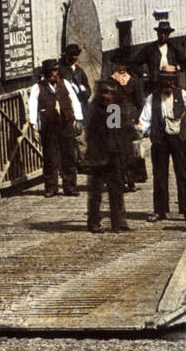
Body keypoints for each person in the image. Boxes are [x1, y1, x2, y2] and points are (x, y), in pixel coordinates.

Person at [138, 64, 186, 223]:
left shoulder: (183, 95)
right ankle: (160, 210)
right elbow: (144, 119)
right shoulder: (152, 97)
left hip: (179, 139)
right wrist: (138, 134)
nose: (168, 83)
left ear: (174, 81)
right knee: (159, 175)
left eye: (170, 80)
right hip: (160, 139)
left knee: (183, 174)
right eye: (165, 80)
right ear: (160, 80)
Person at [82, 80, 135, 233]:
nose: (107, 96)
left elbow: (116, 132)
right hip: (98, 156)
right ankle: (94, 222)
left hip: (113, 156)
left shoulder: (114, 109)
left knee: (116, 189)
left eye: (110, 93)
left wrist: (123, 153)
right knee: (96, 192)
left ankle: (118, 222)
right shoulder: (95, 110)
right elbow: (93, 136)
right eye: (104, 92)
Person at [29, 58, 83, 196]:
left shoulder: (65, 83)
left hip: (65, 123)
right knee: (50, 157)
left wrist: (78, 118)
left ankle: (70, 187)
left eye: (55, 70)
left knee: (69, 156)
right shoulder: (37, 87)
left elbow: (75, 101)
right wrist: (34, 126)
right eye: (50, 72)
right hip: (49, 126)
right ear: (46, 73)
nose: (53, 74)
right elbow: (32, 107)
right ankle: (51, 188)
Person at [108, 55, 145, 191]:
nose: (121, 67)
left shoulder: (134, 81)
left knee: (132, 150)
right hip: (115, 115)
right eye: (118, 64)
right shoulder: (111, 80)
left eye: (123, 65)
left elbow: (139, 101)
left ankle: (132, 180)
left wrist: (139, 120)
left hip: (131, 116)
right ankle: (120, 180)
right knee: (118, 150)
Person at [136, 19, 186, 94]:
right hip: (155, 84)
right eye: (161, 33)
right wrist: (143, 74)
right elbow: (134, 63)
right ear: (157, 33)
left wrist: (177, 68)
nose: (163, 36)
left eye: (166, 34)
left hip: (172, 84)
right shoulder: (150, 49)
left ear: (169, 35)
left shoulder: (173, 48)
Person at [61, 43, 92, 110]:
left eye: (76, 54)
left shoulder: (80, 71)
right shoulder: (62, 71)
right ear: (67, 56)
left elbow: (88, 88)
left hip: (82, 104)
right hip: (69, 105)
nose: (75, 57)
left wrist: (84, 90)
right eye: (72, 55)